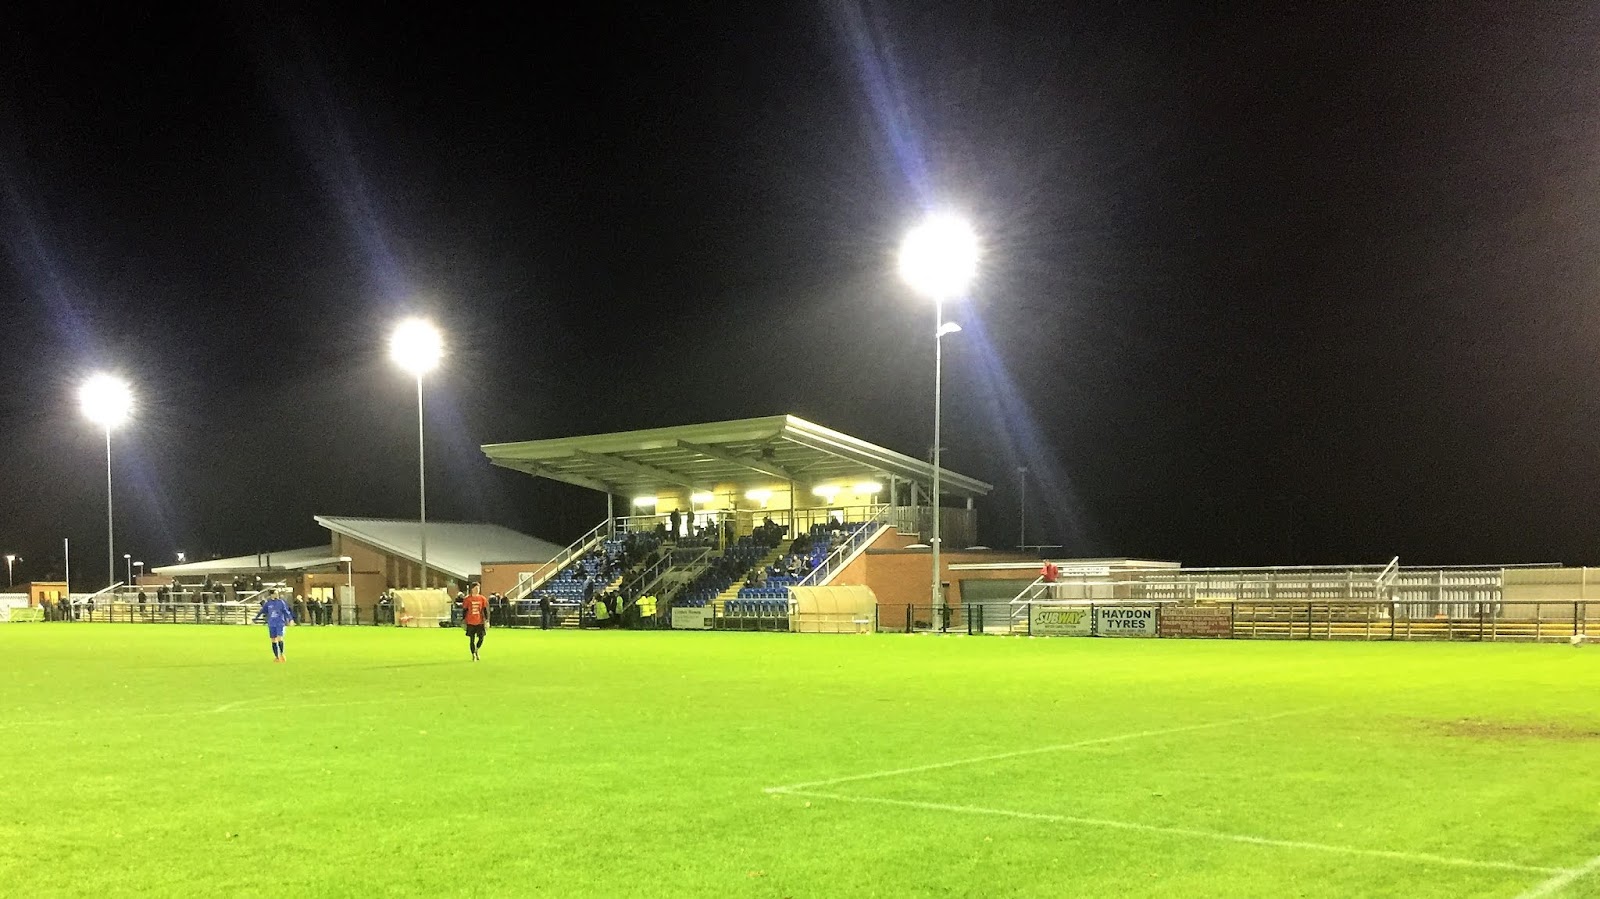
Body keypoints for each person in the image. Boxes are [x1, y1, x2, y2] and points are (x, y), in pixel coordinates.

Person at [252, 589, 297, 663]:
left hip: (280, 623)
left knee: (279, 638)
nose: (277, 595)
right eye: (276, 593)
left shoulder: (281, 602)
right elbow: (262, 611)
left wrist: (291, 619)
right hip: (271, 624)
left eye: (277, 593)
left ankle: (282, 654)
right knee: (273, 640)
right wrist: (255, 618)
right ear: (271, 595)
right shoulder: (268, 603)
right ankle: (276, 657)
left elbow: (286, 611)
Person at [462, 583, 489, 660]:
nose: (477, 590)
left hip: (480, 621)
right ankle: (473, 654)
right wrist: (463, 620)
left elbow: (485, 610)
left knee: (481, 637)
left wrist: (487, 620)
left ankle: (477, 649)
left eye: (478, 588)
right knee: (472, 639)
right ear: (472, 589)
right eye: (476, 588)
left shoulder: (482, 598)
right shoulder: (467, 599)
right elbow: (464, 610)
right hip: (470, 621)